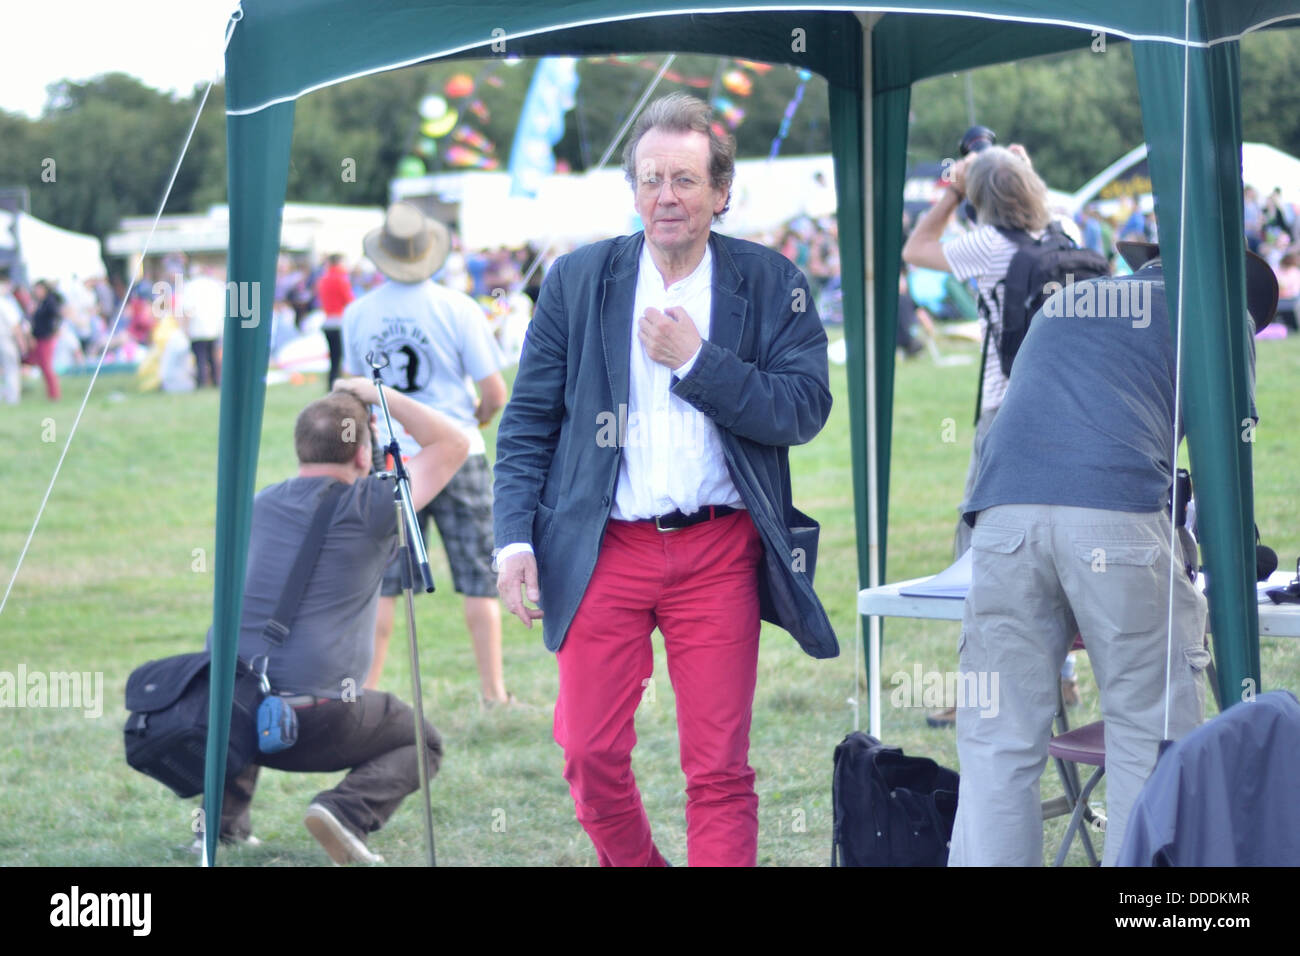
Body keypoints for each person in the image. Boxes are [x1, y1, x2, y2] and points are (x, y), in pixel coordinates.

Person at [493, 93, 837, 867]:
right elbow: (526, 425)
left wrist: (698, 362)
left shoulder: (769, 279)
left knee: (718, 769)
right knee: (588, 755)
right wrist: (513, 541)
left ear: (722, 193)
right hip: (603, 546)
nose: (666, 197)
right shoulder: (578, 281)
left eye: (684, 179)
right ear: (634, 190)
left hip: (719, 551)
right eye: (651, 179)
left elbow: (803, 407)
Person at [947, 240, 1278, 867]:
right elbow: (1222, 469)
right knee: (1148, 736)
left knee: (998, 743)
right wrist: (1233, 548)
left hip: (1002, 516)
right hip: (1114, 516)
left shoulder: (1071, 299)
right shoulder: (1220, 314)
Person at [211, 379, 469, 863]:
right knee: (423, 741)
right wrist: (379, 395)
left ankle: (222, 824)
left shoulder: (257, 504)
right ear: (363, 455)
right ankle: (344, 812)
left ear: (300, 448)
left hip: (225, 713)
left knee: (244, 675)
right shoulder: (373, 505)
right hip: (318, 719)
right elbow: (454, 443)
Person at [342, 203, 511, 704]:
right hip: (457, 452)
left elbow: (355, 391)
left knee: (383, 585)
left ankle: (368, 691)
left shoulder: (357, 314)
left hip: (390, 460)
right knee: (480, 578)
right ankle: (493, 692)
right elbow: (495, 391)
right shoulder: (458, 308)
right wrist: (478, 417)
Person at [316, 253, 354, 389]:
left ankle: (331, 386)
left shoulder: (323, 279)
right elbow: (349, 301)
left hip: (328, 322)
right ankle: (337, 387)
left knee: (334, 359)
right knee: (340, 359)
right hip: (339, 322)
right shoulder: (341, 279)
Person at [24, 280, 63, 400]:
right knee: (41, 365)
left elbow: (57, 316)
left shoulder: (49, 302)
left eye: (39, 289)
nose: (37, 291)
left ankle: (54, 394)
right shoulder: (39, 302)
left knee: (46, 366)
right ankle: (50, 394)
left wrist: (55, 330)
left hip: (46, 338)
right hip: (38, 338)